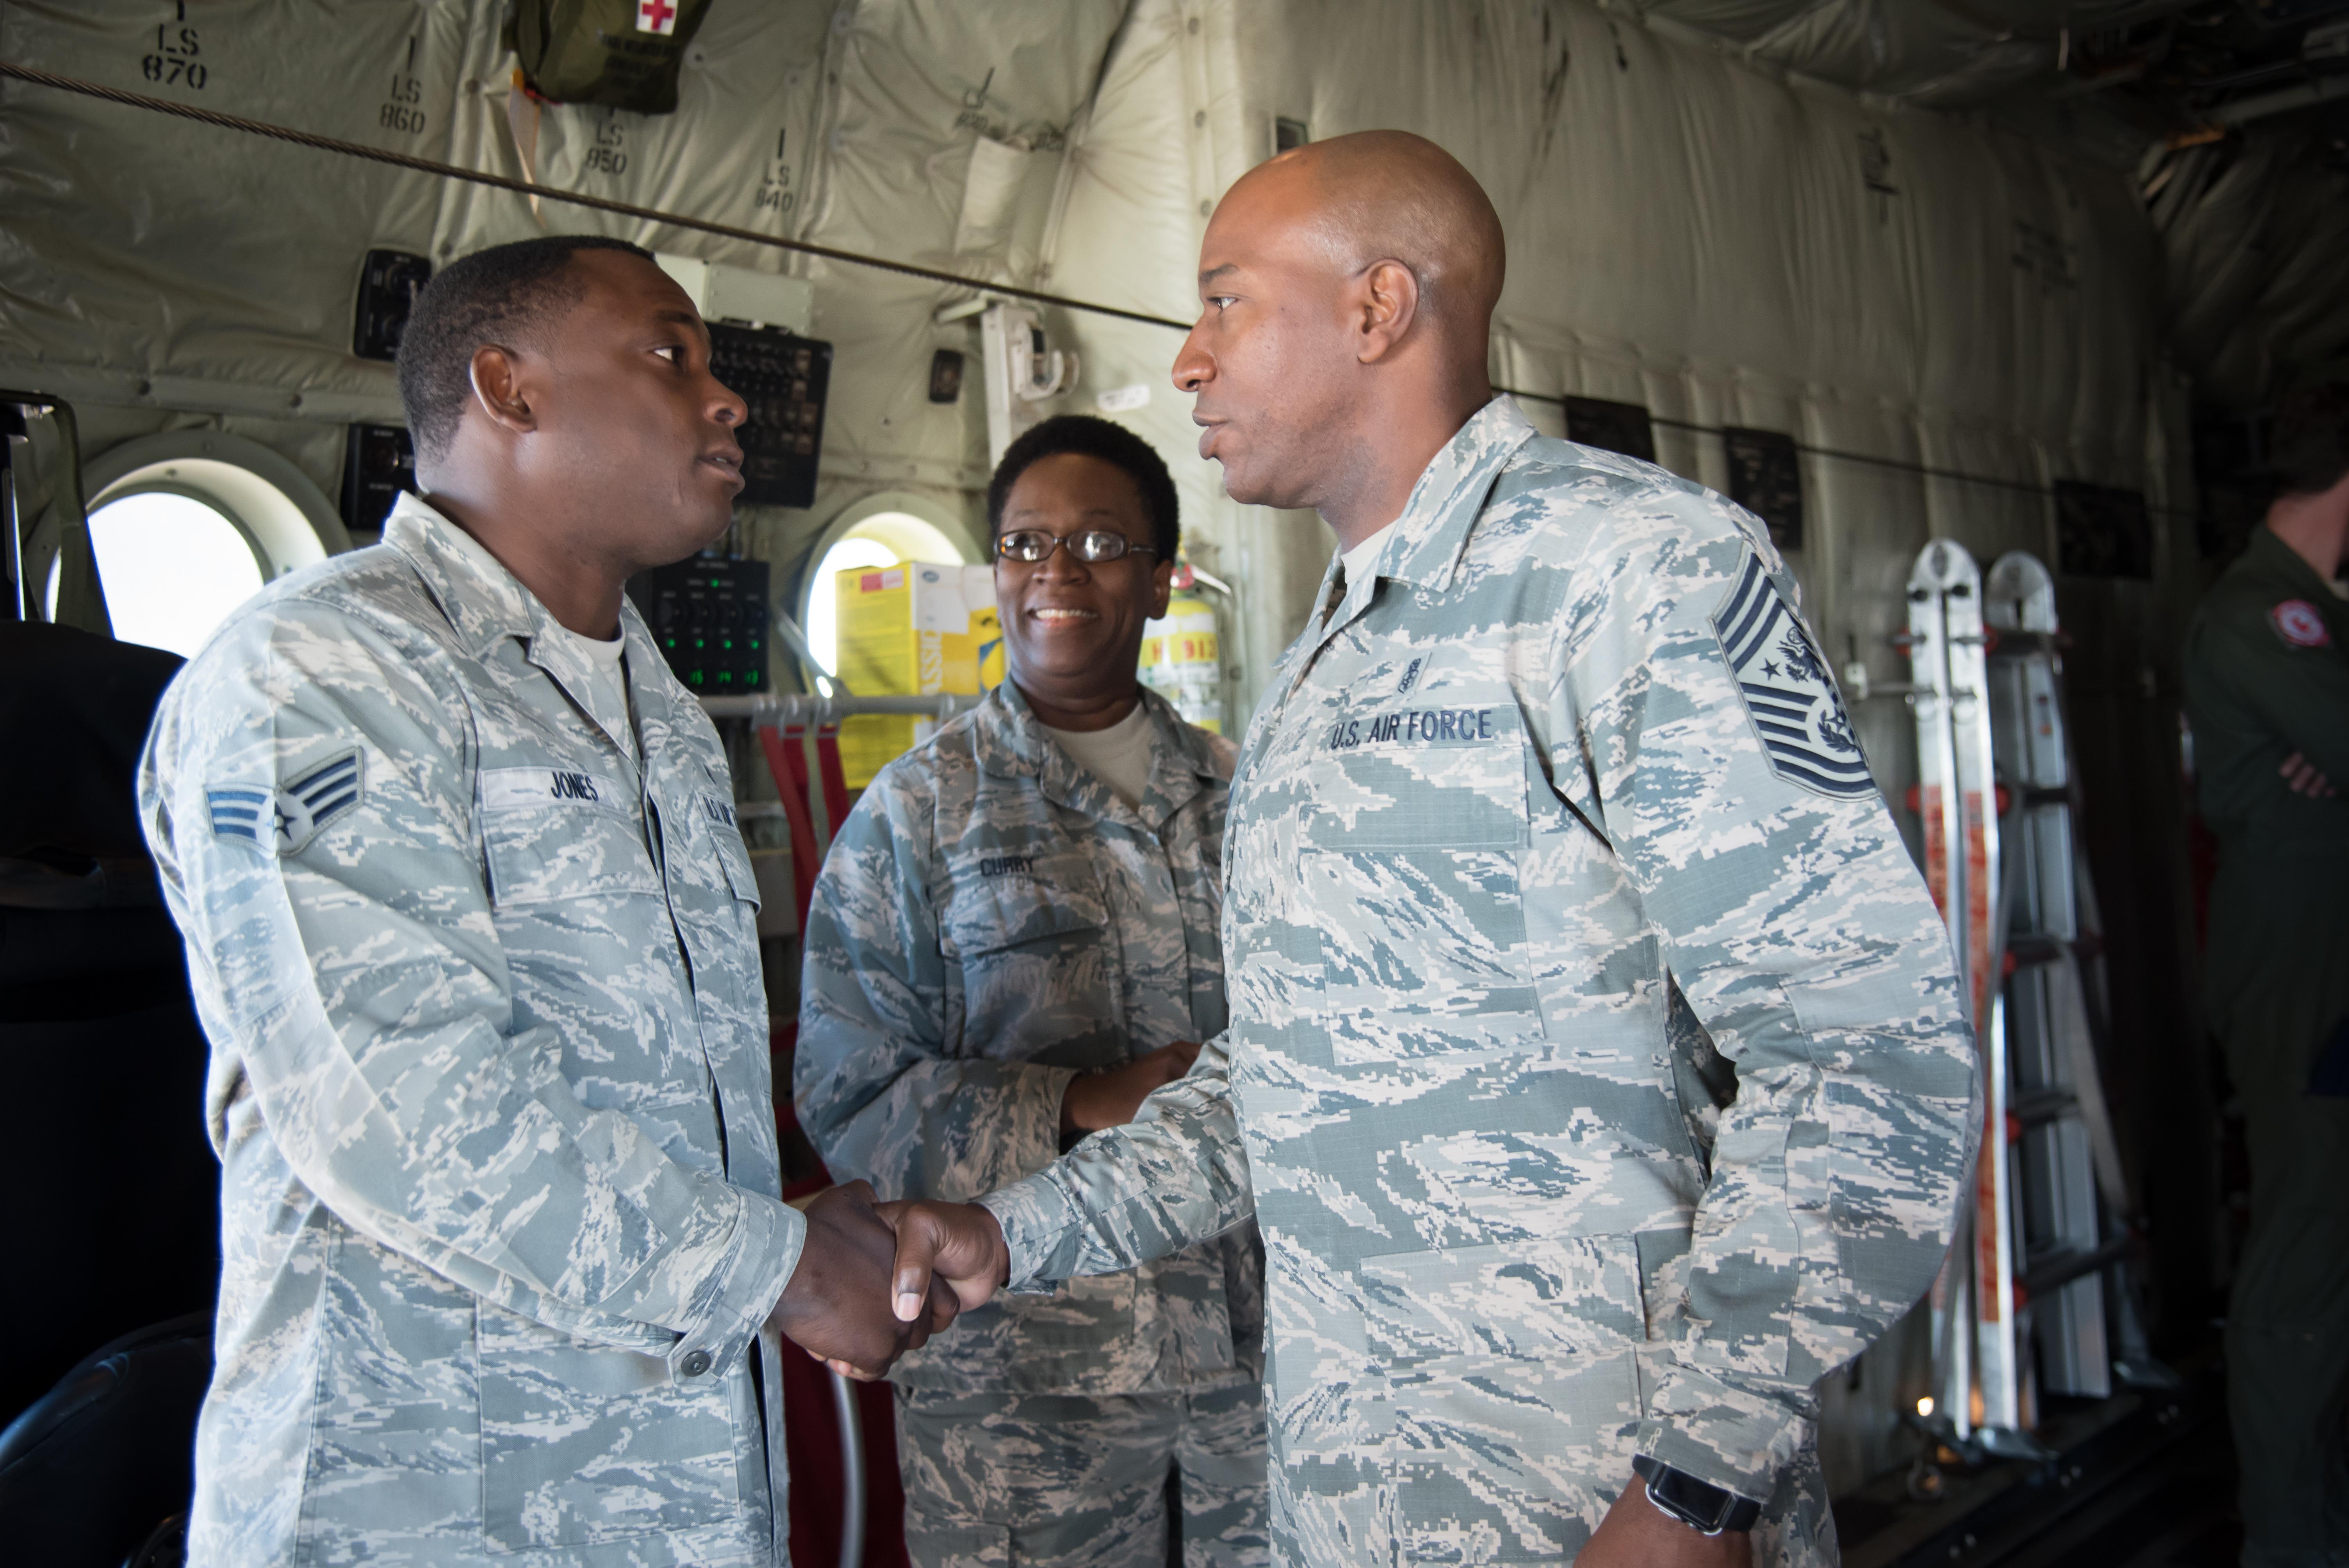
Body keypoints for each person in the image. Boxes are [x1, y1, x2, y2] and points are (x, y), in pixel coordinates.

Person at [878, 131, 1979, 1568]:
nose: (1190, 362)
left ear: (1378, 309)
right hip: (1358, 1492)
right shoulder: (1329, 658)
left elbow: (1862, 1051)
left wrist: (1700, 1480)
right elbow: (1295, 1086)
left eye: (1226, 303)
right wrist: (1017, 1236)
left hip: (1597, 1494)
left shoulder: (1631, 572)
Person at [137, 234, 952, 1567]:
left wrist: (802, 1243)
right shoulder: (321, 675)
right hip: (428, 1504)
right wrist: (789, 1272)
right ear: (508, 388)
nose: (727, 396)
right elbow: (401, 1102)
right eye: (671, 354)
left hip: (672, 1500)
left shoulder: (666, 721)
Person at [795, 414, 1270, 1567]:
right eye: (1023, 545)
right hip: (1022, 1382)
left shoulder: (1248, 794)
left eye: (1102, 545)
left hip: (1256, 1360)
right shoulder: (919, 812)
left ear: (1162, 583)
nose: (1056, 572)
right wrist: (1071, 1104)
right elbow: (846, 1095)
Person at [2180, 386, 2349, 1568]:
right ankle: (2292, 1546)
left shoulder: (2315, 618)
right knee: (2306, 1248)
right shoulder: (2260, 618)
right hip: (2301, 976)